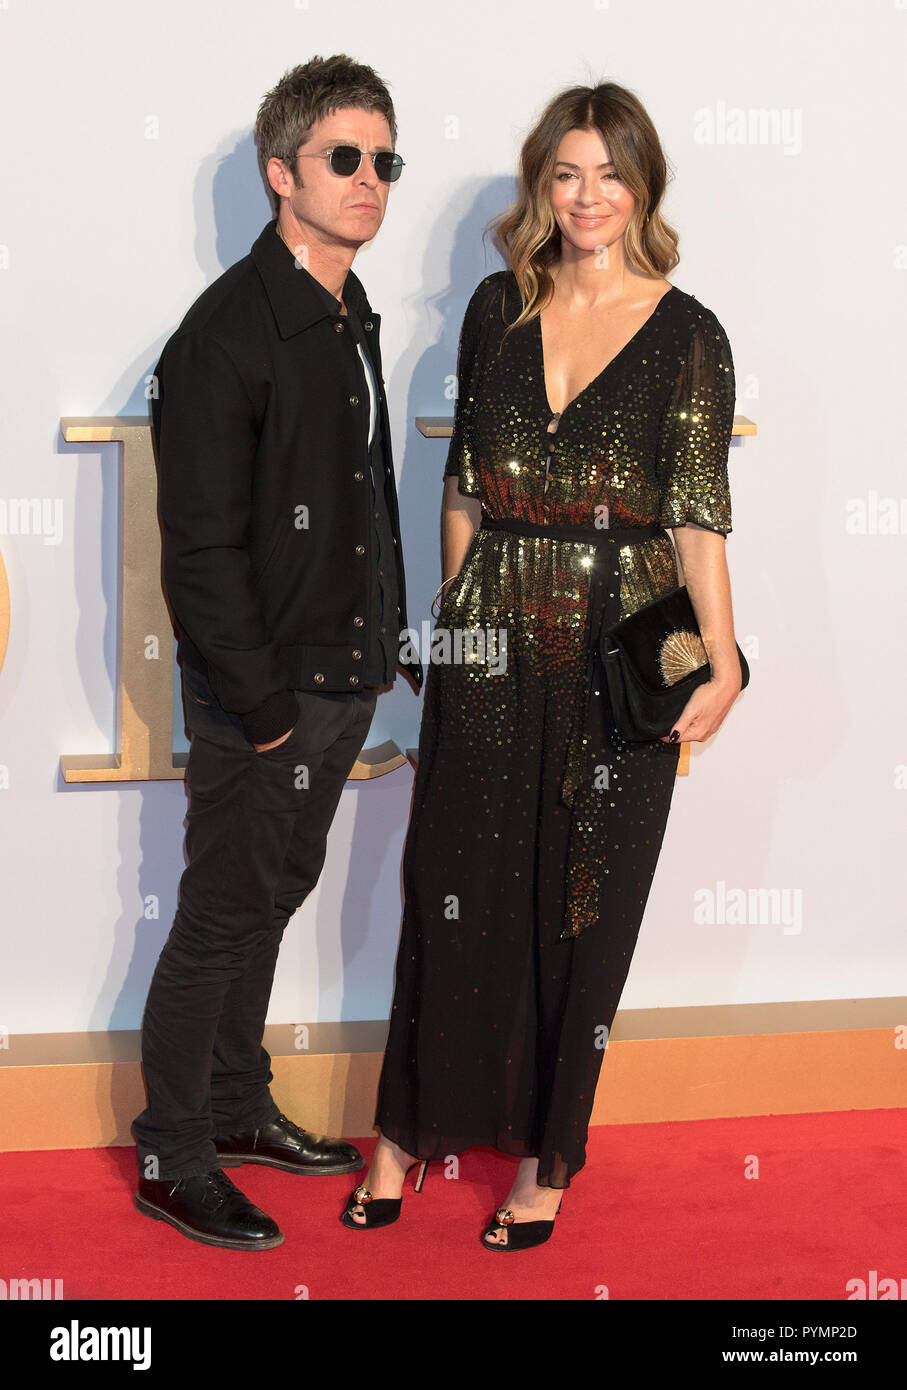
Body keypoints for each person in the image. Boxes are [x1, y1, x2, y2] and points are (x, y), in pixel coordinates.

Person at [342, 81, 745, 1250]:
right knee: (449, 885)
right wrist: (452, 610)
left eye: (609, 174)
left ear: (643, 188)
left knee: (584, 908)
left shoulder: (688, 331)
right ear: (539, 185)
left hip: (620, 644)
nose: (587, 197)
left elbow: (698, 516)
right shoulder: (493, 306)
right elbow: (464, 483)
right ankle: (406, 1133)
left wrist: (717, 659)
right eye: (565, 174)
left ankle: (548, 1158)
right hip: (493, 635)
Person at [132, 54, 422, 1251]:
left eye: (384, 161)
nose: (368, 182)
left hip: (339, 680)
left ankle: (240, 1107)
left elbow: (360, 501)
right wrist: (259, 711)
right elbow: (197, 552)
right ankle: (171, 1149)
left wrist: (397, 647)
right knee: (218, 914)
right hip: (269, 699)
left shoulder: (350, 313)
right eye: (342, 159)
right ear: (280, 174)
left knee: (270, 902)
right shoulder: (223, 334)